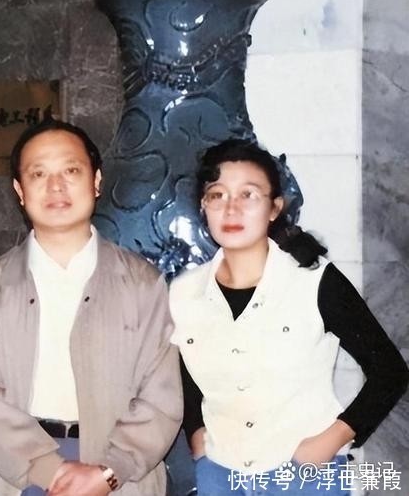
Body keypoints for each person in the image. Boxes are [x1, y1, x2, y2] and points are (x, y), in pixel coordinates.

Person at [0, 118, 183, 496]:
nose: (56, 186)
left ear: (96, 181)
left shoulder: (144, 285)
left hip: (119, 479)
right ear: (19, 191)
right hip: (16, 476)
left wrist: (108, 472)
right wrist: (50, 471)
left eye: (71, 170)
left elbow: (161, 398)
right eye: (38, 173)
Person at [169, 139, 409, 495]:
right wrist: (197, 436)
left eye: (248, 195)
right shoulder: (184, 292)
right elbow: (186, 376)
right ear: (203, 206)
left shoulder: (314, 281)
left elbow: (389, 371)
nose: (231, 209)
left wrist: (331, 439)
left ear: (274, 208)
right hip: (221, 474)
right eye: (217, 195)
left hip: (304, 475)